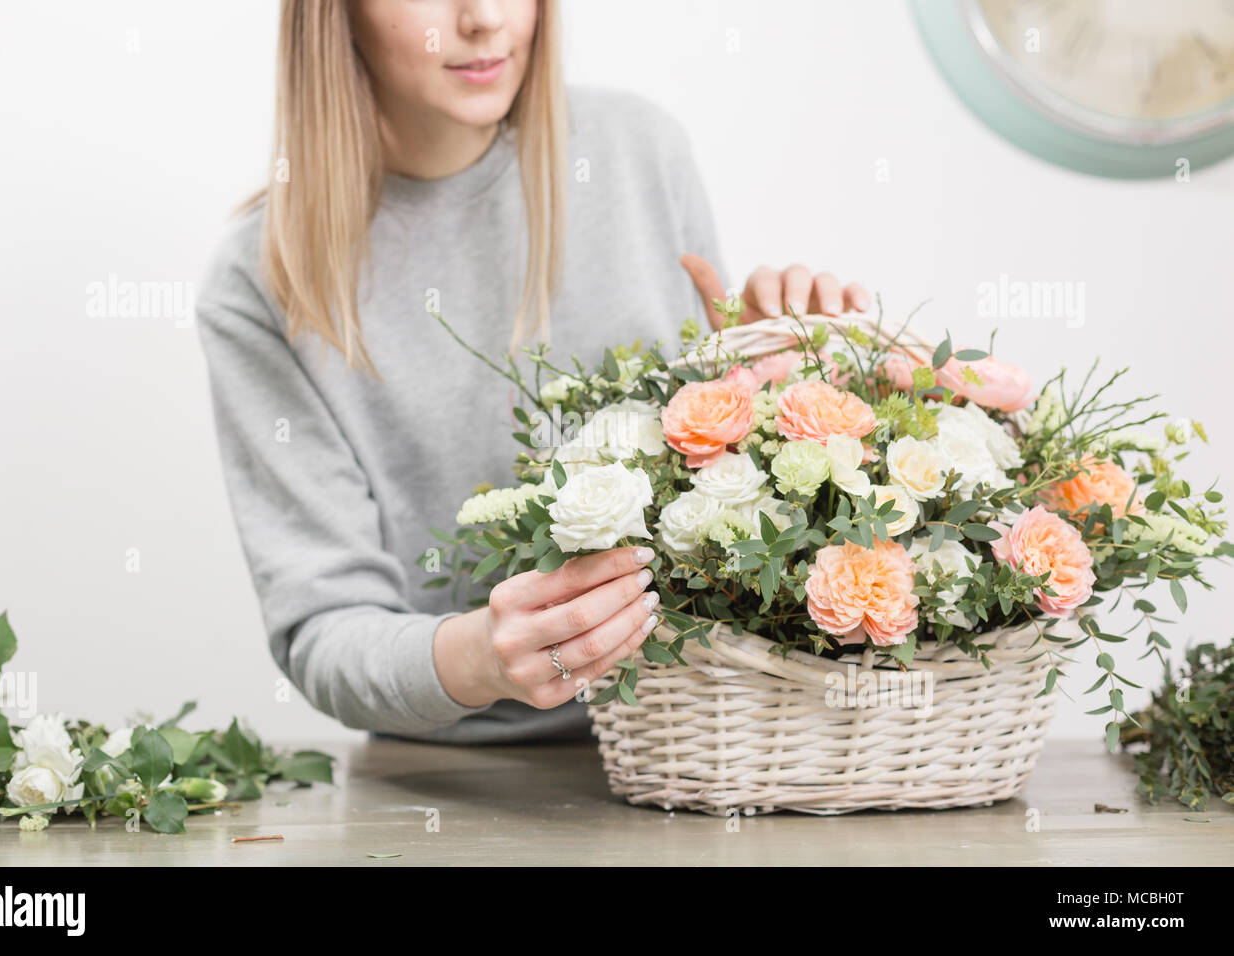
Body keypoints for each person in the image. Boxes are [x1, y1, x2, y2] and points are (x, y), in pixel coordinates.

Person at [195, 0, 868, 744]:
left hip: (705, 750)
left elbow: (727, 508)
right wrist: (477, 659)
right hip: (465, 797)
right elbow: (324, 631)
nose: (484, 18)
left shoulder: (639, 153)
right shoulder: (265, 280)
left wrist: (777, 374)